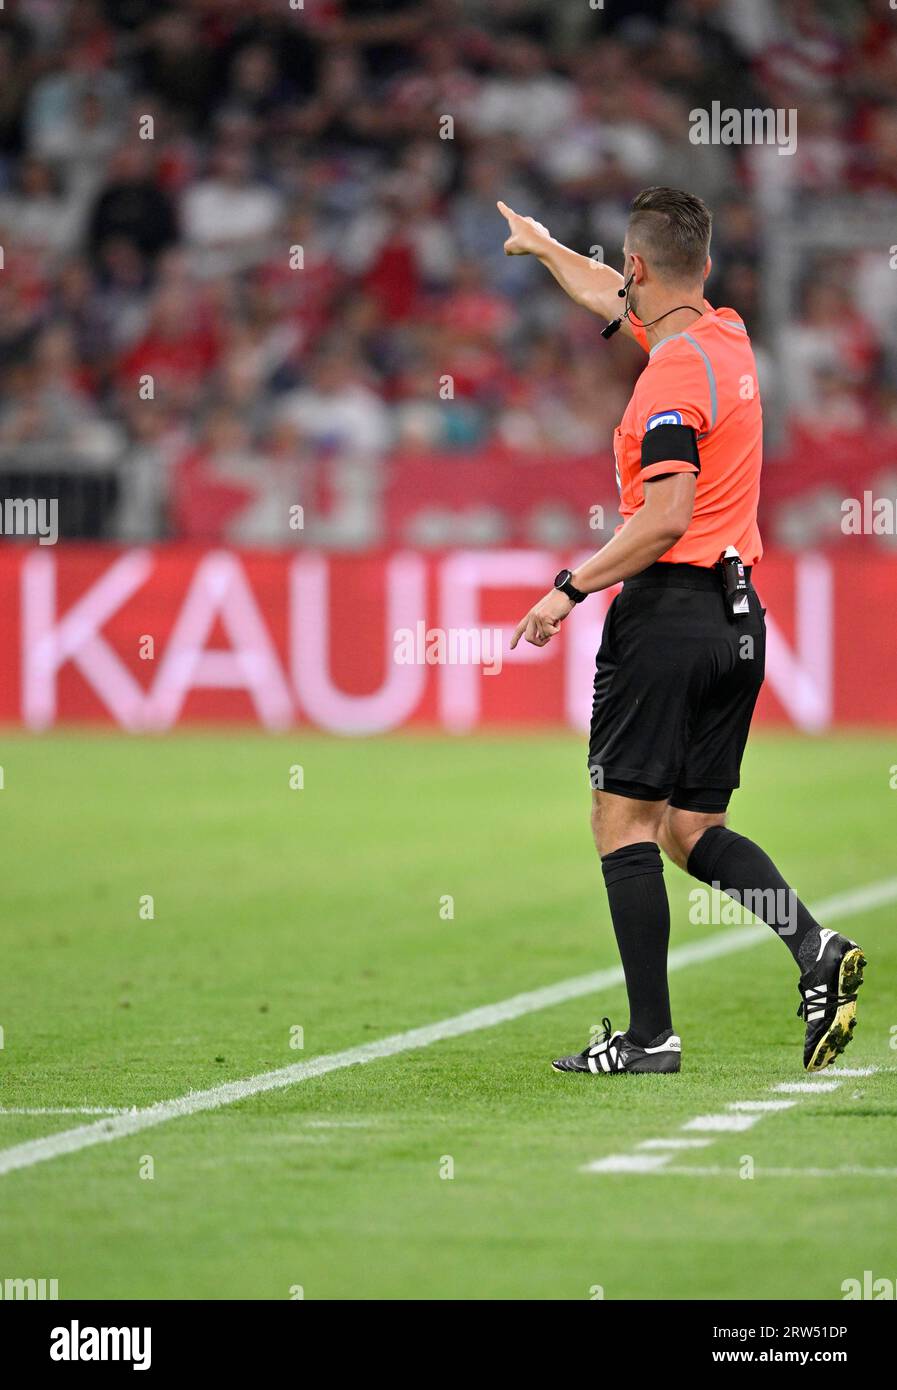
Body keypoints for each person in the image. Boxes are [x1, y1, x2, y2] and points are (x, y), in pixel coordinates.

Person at [497, 186, 866, 1075]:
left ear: (637, 268)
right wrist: (546, 247)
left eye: (621, 273)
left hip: (667, 613)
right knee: (690, 827)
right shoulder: (724, 339)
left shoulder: (667, 375)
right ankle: (813, 949)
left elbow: (665, 516)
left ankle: (649, 1037)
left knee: (621, 822)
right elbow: (610, 293)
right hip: (739, 617)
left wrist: (567, 588)